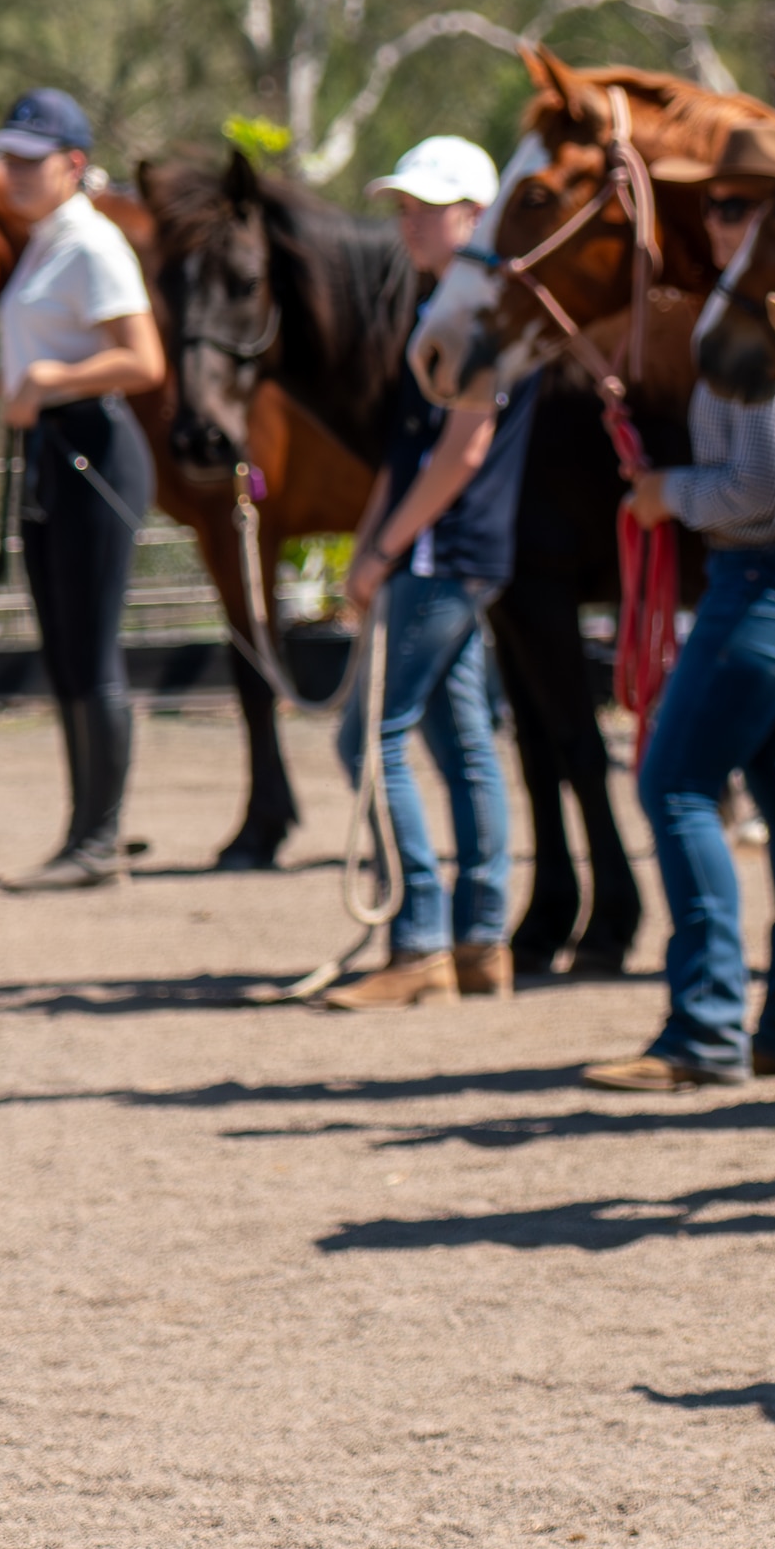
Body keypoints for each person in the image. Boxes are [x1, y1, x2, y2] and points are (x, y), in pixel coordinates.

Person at [584, 121, 775, 1092]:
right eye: (713, 202)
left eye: (743, 205)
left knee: (673, 782)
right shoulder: (766, 312)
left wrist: (668, 492)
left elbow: (754, 483)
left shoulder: (762, 322)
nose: (721, 220)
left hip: (770, 572)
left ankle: (705, 1025)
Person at [0, 87, 168, 891]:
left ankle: (97, 839)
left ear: (74, 164)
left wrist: (48, 379)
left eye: (33, 160)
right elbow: (40, 360)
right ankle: (87, 829)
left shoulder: (93, 245)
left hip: (96, 450)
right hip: (53, 452)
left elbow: (141, 360)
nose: (17, 173)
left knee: (90, 649)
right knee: (64, 648)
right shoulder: (43, 245)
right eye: (11, 160)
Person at [315, 135, 533, 1010]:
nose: (407, 223)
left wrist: (381, 550)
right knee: (463, 744)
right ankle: (480, 939)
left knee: (368, 740)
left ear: (474, 217)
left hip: (441, 553)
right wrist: (370, 549)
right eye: (402, 208)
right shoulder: (452, 307)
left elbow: (459, 449)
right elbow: (408, 455)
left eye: (425, 209)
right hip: (451, 551)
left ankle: (420, 940)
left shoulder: (472, 316)